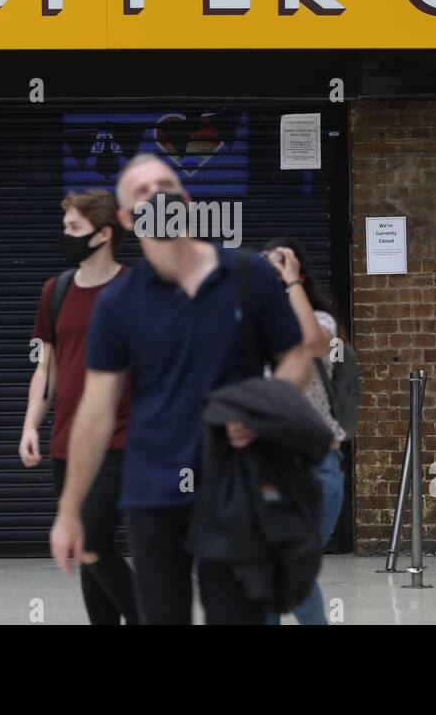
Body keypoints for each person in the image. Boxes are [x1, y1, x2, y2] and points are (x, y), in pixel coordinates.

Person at [50, 154, 311, 624]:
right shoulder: (119, 303)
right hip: (152, 489)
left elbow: (295, 356)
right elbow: (96, 409)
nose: (159, 195)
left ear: (187, 201)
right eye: (143, 192)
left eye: (167, 184)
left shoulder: (248, 276)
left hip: (234, 483)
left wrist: (262, 412)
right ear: (128, 218)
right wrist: (70, 510)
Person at [21, 190, 139, 624]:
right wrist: (31, 425)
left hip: (120, 439)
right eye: (65, 226)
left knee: (91, 540)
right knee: (92, 548)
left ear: (103, 234)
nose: (65, 236)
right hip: (67, 443)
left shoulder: (134, 290)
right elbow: (46, 370)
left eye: (74, 228)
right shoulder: (56, 291)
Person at [260, 237, 346, 625]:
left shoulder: (321, 321)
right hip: (266, 463)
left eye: (281, 266)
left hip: (315, 464)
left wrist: (292, 283)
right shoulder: (254, 326)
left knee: (293, 566)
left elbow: (312, 342)